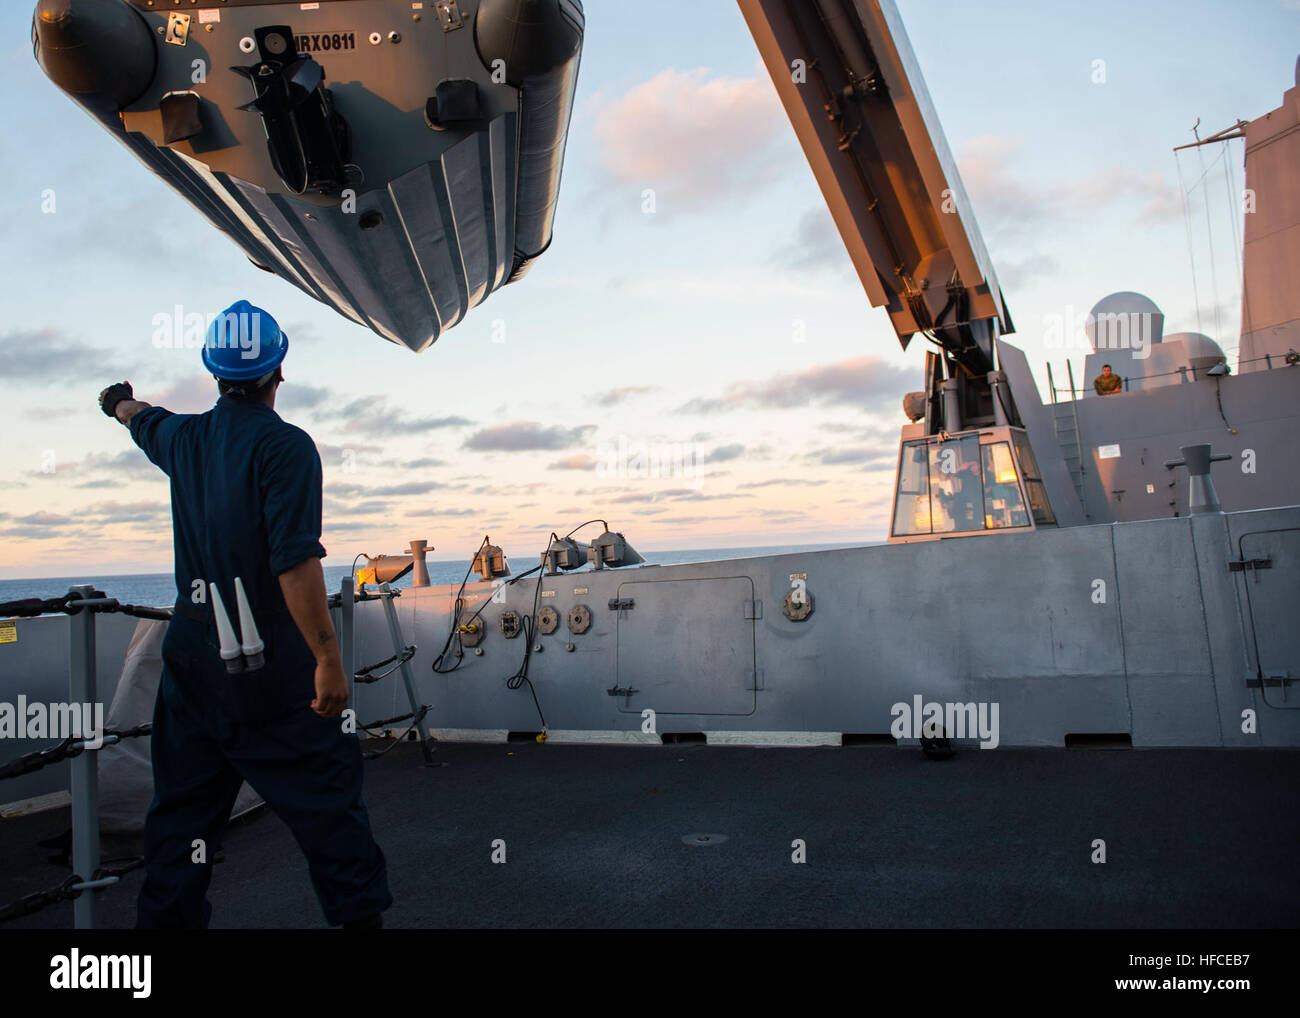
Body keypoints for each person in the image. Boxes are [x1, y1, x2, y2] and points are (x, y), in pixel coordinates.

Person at [98, 299, 391, 929]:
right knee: (330, 811)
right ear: (278, 370)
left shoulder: (184, 439)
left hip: (192, 663)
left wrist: (117, 402)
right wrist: (328, 660)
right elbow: (294, 565)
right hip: (271, 671)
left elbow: (142, 419)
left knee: (180, 823)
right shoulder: (286, 448)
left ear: (215, 374)